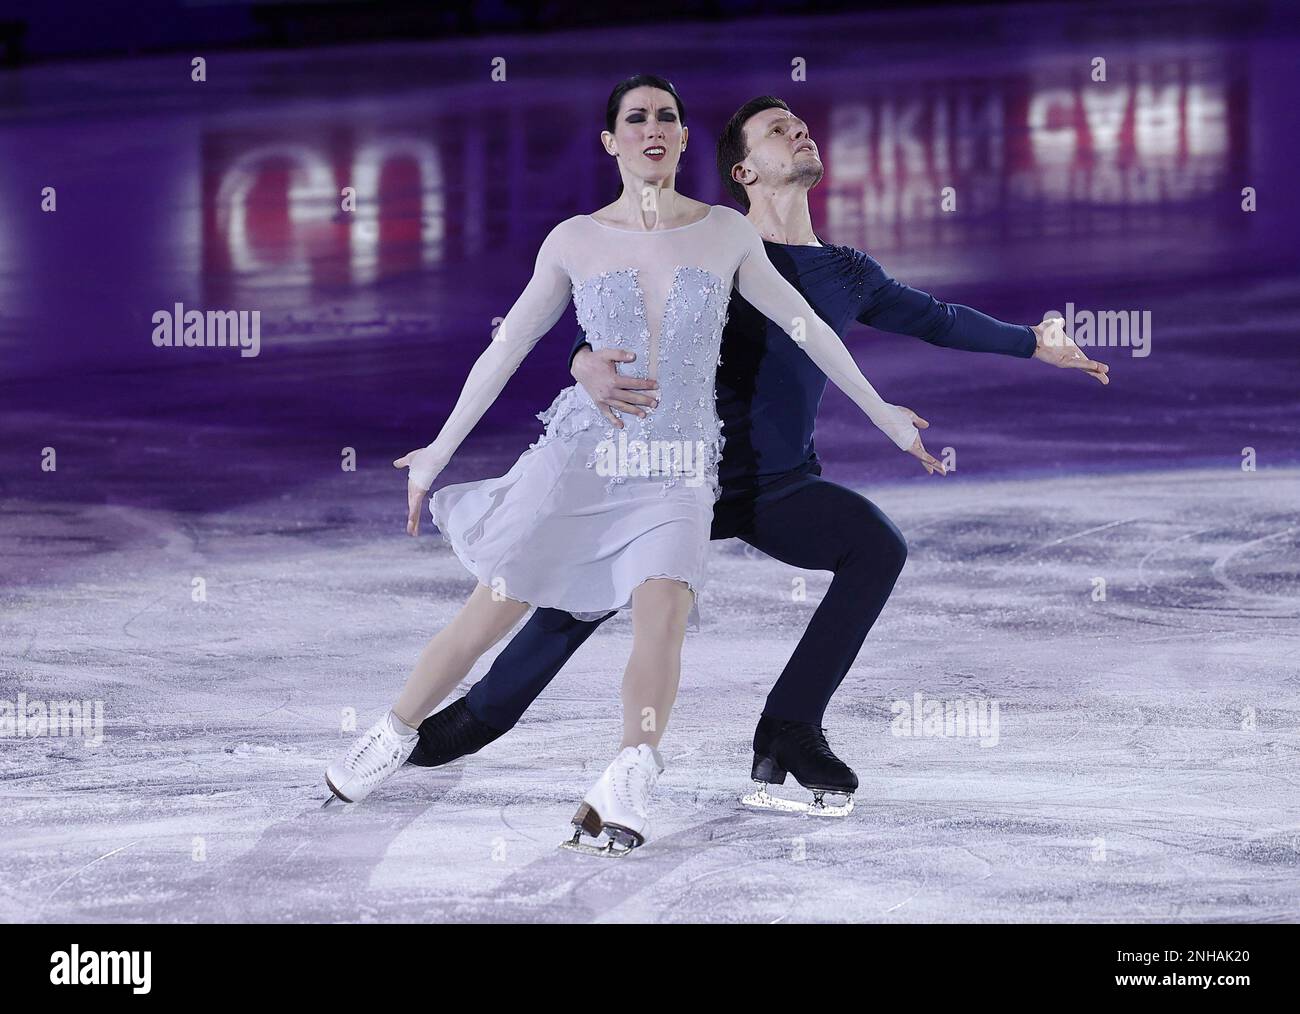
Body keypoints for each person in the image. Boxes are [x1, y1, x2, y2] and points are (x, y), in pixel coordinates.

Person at [405, 95, 1108, 817]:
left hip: (773, 485)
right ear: (743, 169)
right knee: (575, 594)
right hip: (671, 476)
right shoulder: (706, 242)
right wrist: (583, 356)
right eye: (778, 130)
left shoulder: (846, 273)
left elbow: (937, 319)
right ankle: (478, 718)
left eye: (802, 125)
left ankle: (789, 726)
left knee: (875, 547)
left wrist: (1033, 340)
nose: (799, 131)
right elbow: (602, 302)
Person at [324, 79, 937, 854]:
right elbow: (506, 348)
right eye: (636, 119)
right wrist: (437, 452)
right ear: (611, 142)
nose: (655, 129)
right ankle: (393, 730)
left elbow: (809, 329)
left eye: (668, 118)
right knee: (489, 613)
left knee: (662, 622)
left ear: (684, 140)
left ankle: (630, 772)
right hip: (584, 459)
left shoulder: (725, 234)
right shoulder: (574, 239)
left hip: (680, 467)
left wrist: (883, 414)